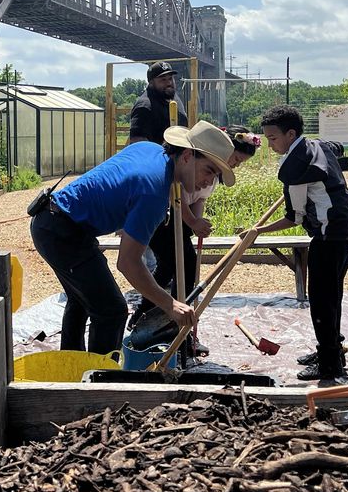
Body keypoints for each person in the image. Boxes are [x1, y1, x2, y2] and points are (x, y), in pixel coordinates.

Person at [31, 120, 236, 353]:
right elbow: (128, 263)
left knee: (84, 299)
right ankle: (100, 382)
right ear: (188, 156)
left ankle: (72, 368)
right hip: (61, 232)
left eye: (216, 175)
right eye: (209, 170)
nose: (209, 181)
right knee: (112, 311)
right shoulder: (153, 193)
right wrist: (171, 305)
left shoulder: (152, 150)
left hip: (53, 219)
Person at [253, 105, 348, 387]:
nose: (269, 144)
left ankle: (329, 366)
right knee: (331, 295)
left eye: (273, 138)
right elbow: (336, 147)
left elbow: (293, 217)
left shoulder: (296, 167)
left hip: (331, 233)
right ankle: (330, 351)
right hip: (347, 226)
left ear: (291, 134)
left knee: (322, 300)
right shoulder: (316, 146)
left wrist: (258, 231)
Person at [135, 126, 261, 331]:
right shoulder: (192, 166)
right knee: (185, 264)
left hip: (180, 220)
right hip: (165, 218)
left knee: (169, 267)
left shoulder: (213, 175)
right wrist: (193, 221)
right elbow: (177, 195)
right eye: (236, 160)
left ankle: (149, 315)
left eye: (239, 163)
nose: (236, 165)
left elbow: (199, 198)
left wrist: (197, 222)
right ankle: (174, 317)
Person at [128, 61, 187, 145]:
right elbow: (138, 143)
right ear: (151, 83)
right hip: (158, 157)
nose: (169, 83)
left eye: (170, 78)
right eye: (163, 80)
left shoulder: (172, 97)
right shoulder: (144, 106)